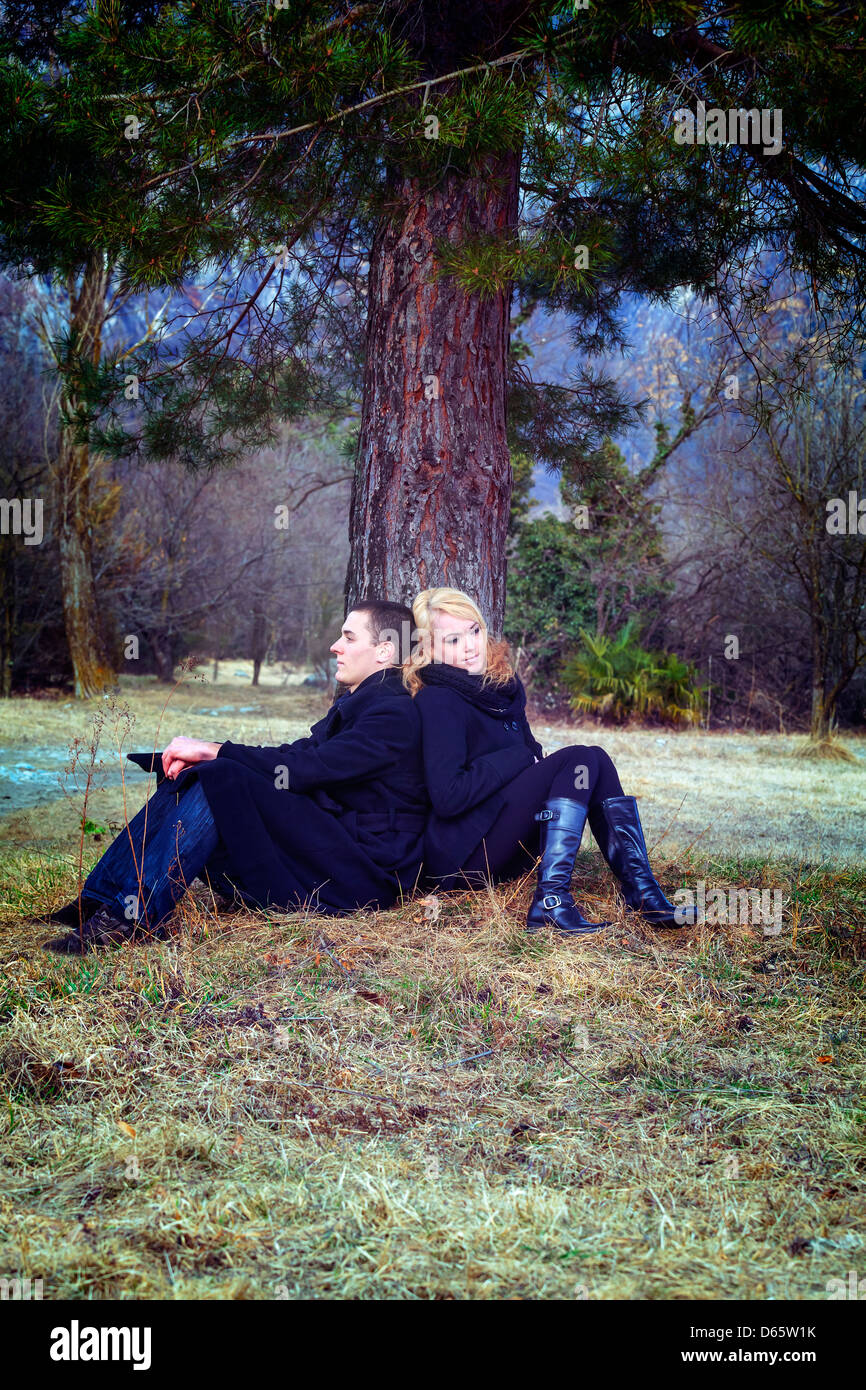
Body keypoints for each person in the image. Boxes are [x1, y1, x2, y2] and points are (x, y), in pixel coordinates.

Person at [43, 600, 428, 953]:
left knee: (223, 775)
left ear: (385, 650)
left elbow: (312, 769)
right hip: (336, 841)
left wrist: (217, 752)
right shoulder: (361, 702)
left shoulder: (392, 713)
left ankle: (135, 918)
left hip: (360, 869)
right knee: (207, 770)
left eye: (348, 637)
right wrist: (211, 748)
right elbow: (297, 755)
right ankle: (101, 899)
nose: (334, 646)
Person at [403, 587, 698, 936]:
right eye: (453, 639)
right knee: (578, 759)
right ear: (429, 649)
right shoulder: (438, 700)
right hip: (463, 856)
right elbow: (449, 795)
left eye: (474, 631)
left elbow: (529, 758)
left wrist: (527, 761)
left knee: (594, 759)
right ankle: (551, 904)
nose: (470, 646)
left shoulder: (499, 690)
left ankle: (643, 894)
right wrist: (518, 758)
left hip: (503, 839)